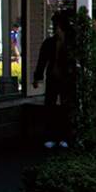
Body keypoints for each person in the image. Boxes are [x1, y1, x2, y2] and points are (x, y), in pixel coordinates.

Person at [33, 11, 73, 149]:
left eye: (57, 26)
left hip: (66, 78)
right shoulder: (49, 43)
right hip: (53, 77)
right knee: (50, 105)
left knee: (66, 107)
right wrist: (37, 77)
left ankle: (65, 136)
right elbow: (42, 61)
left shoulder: (70, 43)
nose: (56, 28)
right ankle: (51, 136)